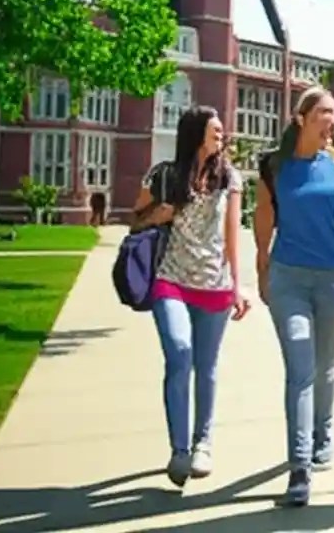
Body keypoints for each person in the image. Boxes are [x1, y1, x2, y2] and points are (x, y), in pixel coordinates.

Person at [253, 86, 334, 507]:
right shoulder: (273, 166)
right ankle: (299, 467)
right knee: (300, 366)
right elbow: (263, 216)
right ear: (300, 118)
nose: (332, 120)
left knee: (326, 365)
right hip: (288, 279)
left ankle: (323, 431)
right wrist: (262, 267)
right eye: (324, 112)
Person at [129, 105, 251, 488]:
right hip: (171, 279)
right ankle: (179, 450)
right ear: (197, 133)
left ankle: (203, 443)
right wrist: (157, 215)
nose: (222, 135)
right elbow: (134, 219)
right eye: (215, 130)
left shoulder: (229, 177)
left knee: (206, 366)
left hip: (215, 284)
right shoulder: (163, 174)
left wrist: (238, 285)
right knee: (180, 354)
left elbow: (233, 234)